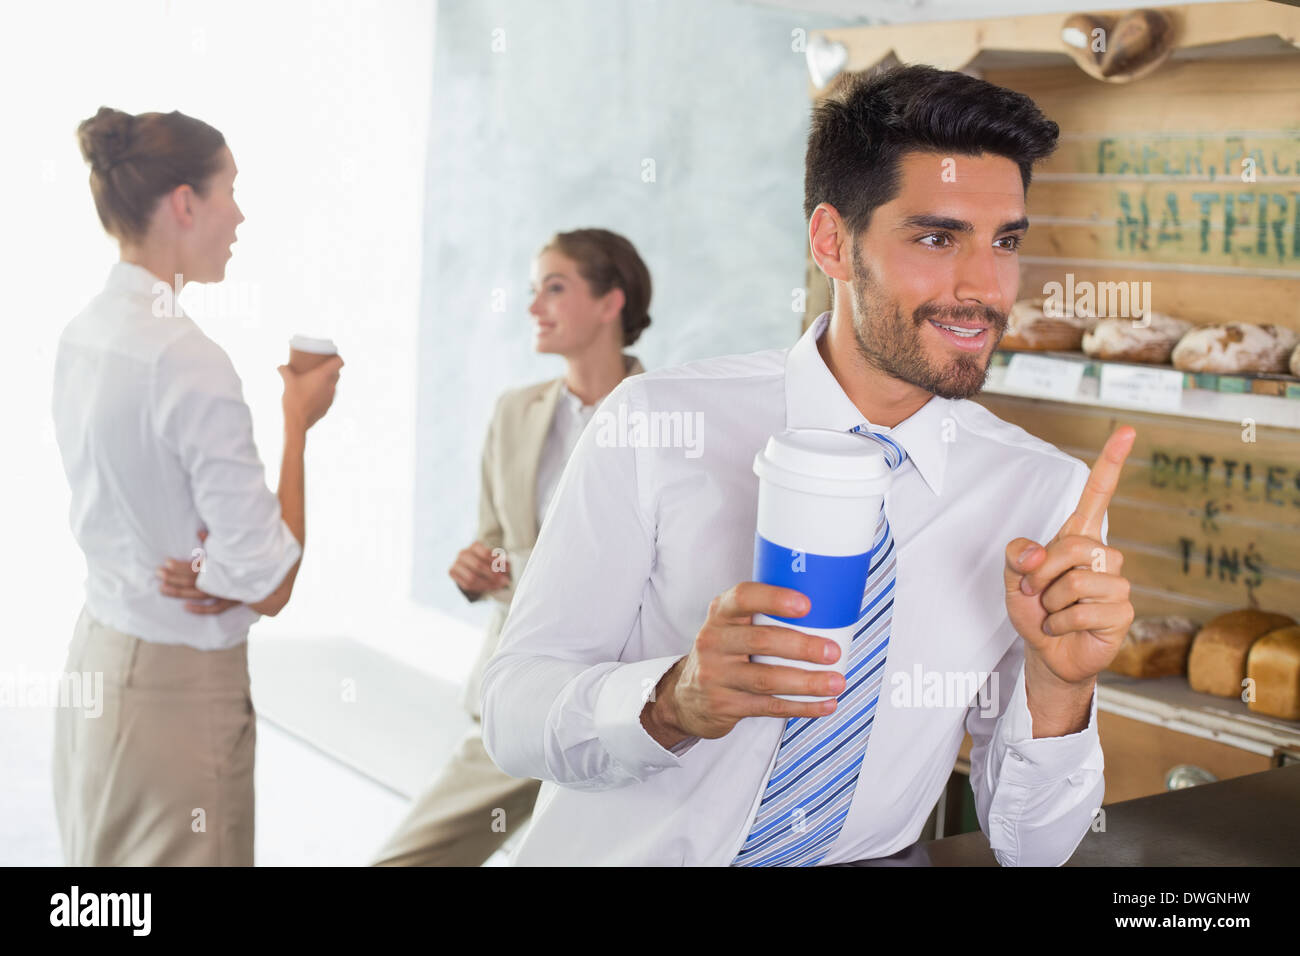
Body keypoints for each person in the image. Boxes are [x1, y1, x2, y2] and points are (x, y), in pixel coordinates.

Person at [480, 65, 1138, 866]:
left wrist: (1061, 688)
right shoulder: (658, 423)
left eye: (1006, 242)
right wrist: (670, 703)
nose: (984, 289)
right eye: (936, 238)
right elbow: (510, 713)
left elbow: (1034, 848)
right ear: (832, 242)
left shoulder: (1044, 494)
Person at [51, 107, 343, 865]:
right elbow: (272, 581)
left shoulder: (85, 331)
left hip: (101, 657)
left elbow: (139, 500)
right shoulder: (187, 357)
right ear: (185, 203)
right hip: (176, 691)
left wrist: (220, 566)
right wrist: (299, 422)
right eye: (230, 192)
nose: (239, 215)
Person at [371, 228, 652, 866]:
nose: (534, 306)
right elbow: (498, 545)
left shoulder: (662, 421)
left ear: (611, 302)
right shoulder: (514, 412)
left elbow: (641, 580)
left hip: (618, 710)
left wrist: (510, 571)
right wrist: (478, 568)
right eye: (533, 290)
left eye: (554, 288)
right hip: (522, 697)